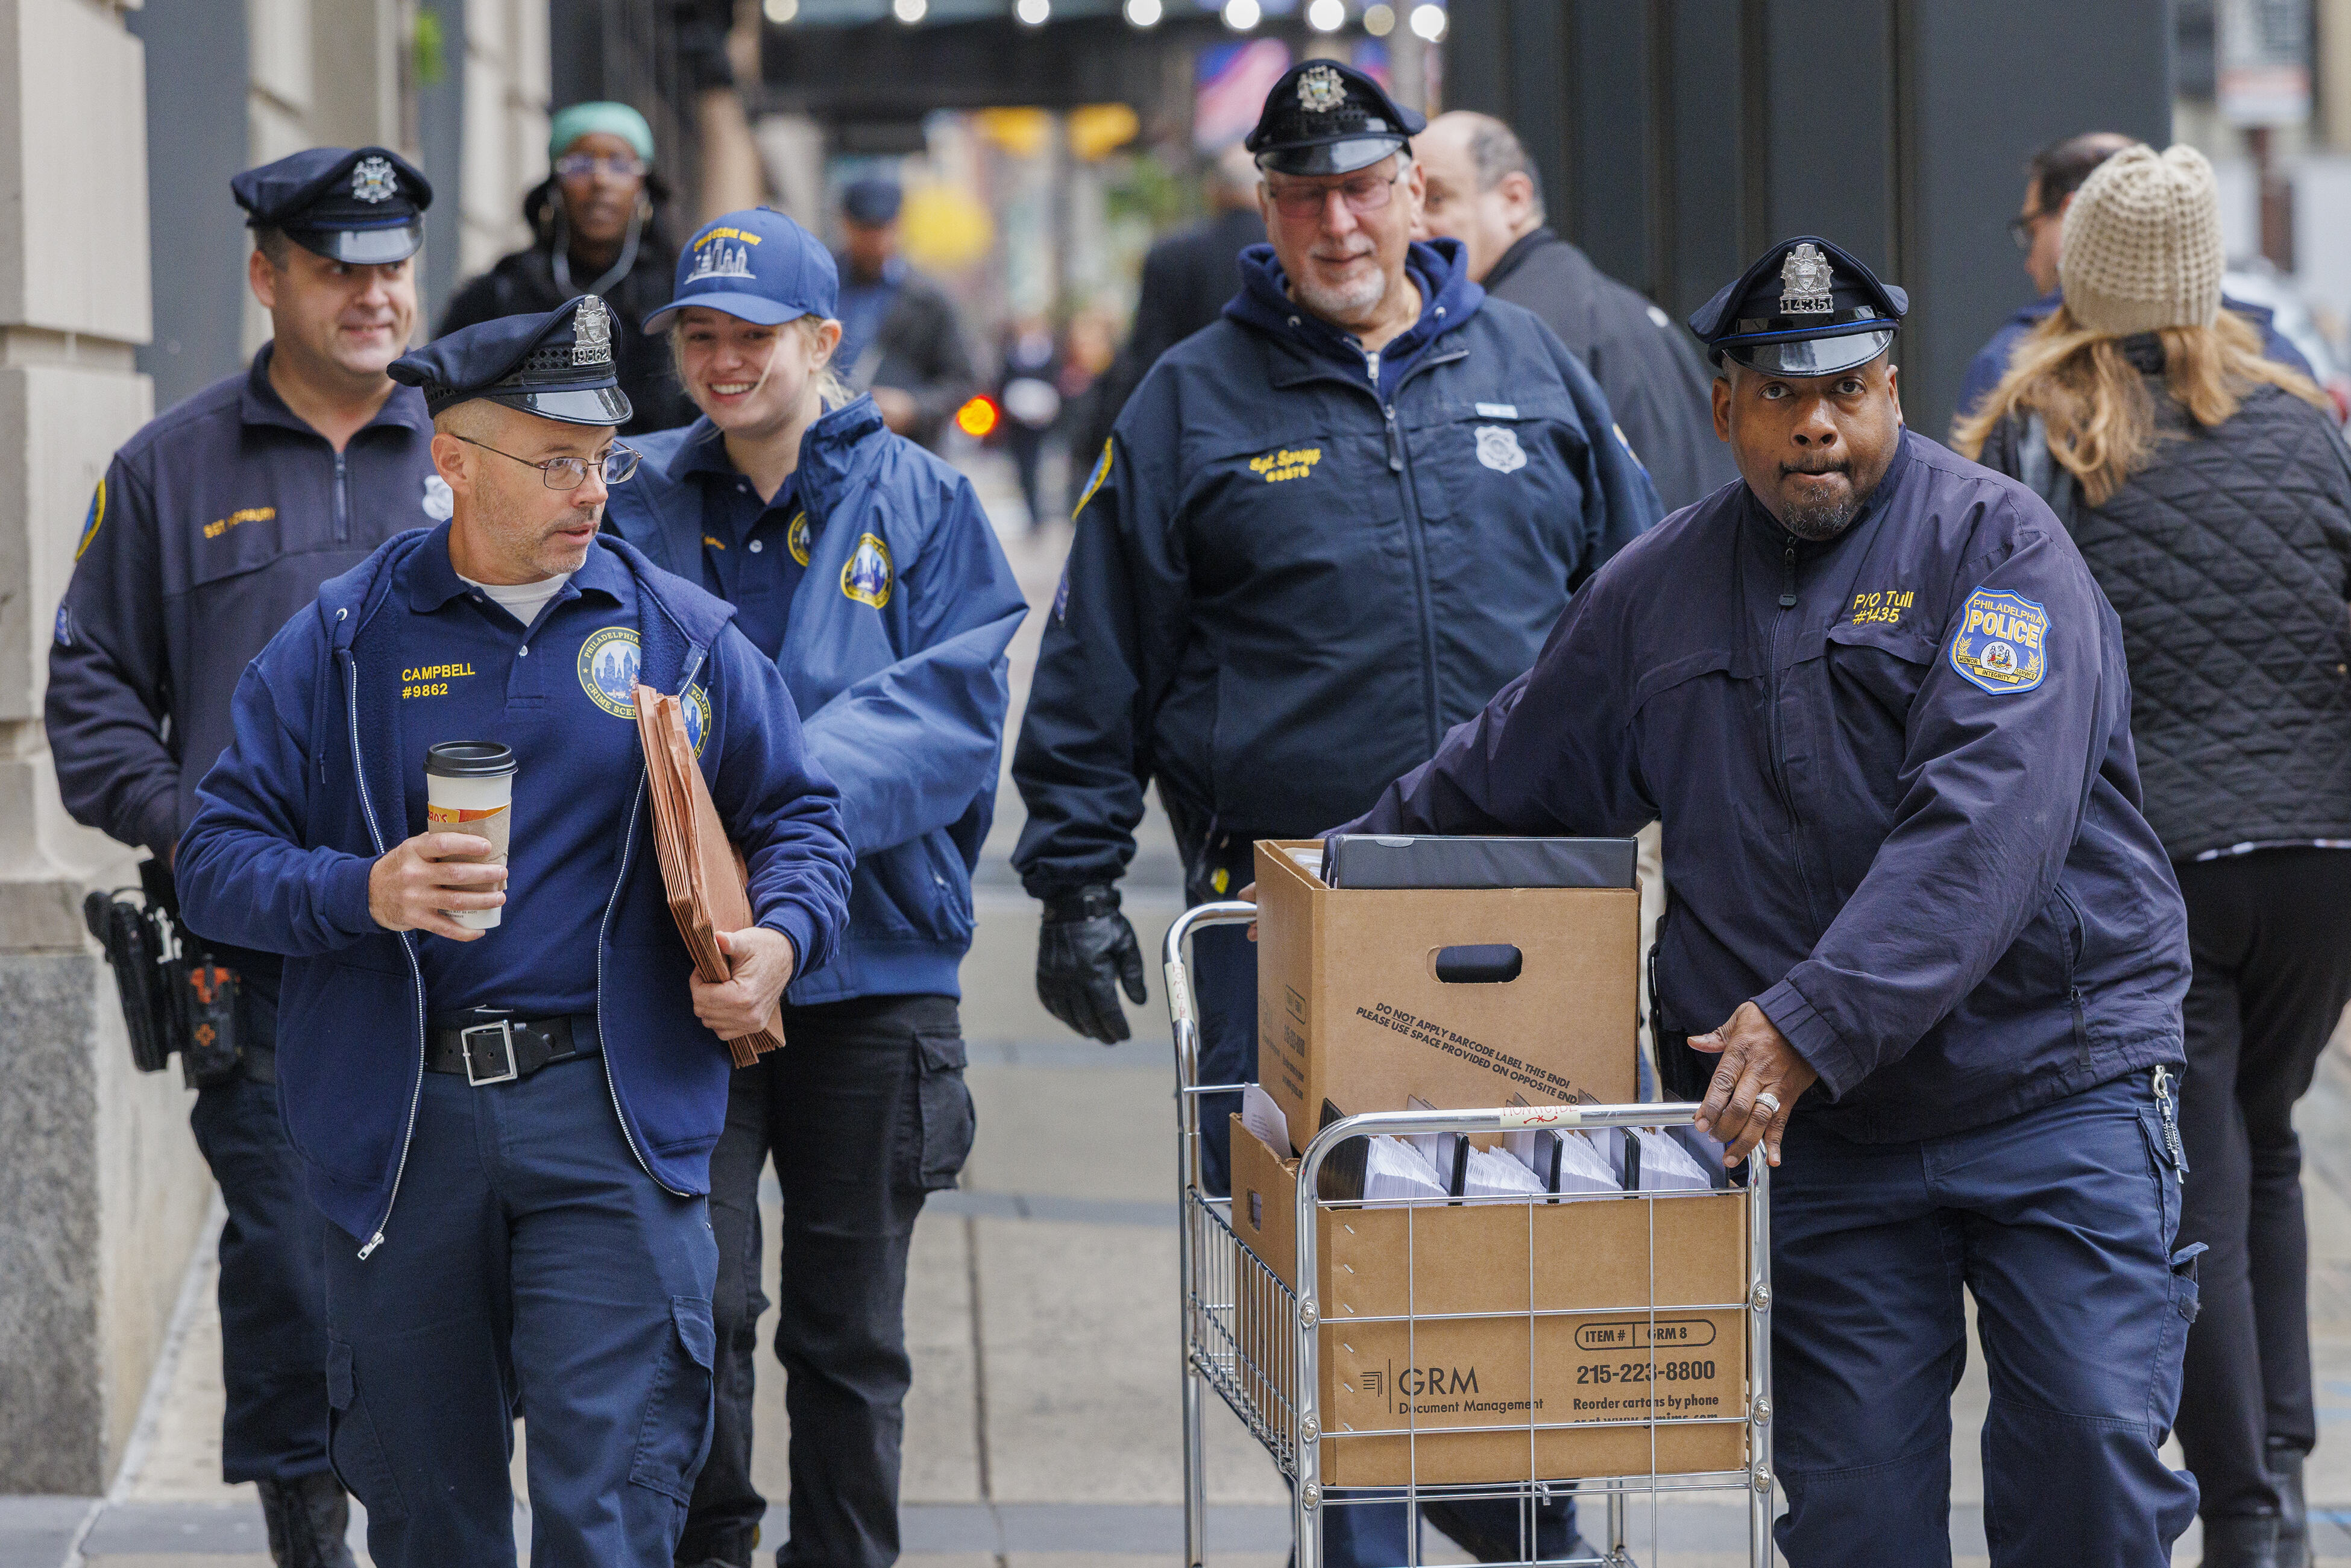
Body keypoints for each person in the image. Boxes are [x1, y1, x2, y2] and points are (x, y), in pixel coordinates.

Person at [1328, 232, 2202, 1565]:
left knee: (2091, 1453)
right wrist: (1319, 900)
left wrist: (1807, 1021)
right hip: (1828, 1138)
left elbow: (1985, 829)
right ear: (1724, 405)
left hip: (2051, 1083)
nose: (1818, 427)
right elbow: (1496, 779)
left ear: (1893, 392)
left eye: (1847, 390)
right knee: (1853, 1517)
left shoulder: (1998, 548)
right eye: (1782, 396)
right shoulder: (1658, 592)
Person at [1009, 60, 1661, 1565]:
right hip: (1294, 907)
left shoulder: (1530, 367)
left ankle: (1531, 1526)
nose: (1337, 220)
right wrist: (1074, 878)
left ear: (1412, 195)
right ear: (1267, 206)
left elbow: (1647, 619)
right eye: (1302, 192)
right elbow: (1101, 650)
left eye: (1362, 186)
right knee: (1333, 1262)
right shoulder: (1189, 401)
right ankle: (1370, 1541)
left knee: (1525, 1254)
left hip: (1524, 909)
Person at [171, 294, 855, 1568]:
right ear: (454, 461)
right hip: (405, 1127)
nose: (590, 487)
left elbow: (800, 816)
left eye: (604, 458)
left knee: (611, 1511)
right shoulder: (340, 642)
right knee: (434, 1520)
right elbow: (212, 862)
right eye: (554, 460)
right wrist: (358, 890)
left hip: (613, 1114)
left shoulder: (680, 635)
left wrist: (784, 939)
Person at [603, 206, 1027, 1568]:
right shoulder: (629, 503)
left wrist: (749, 804)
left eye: (756, 337)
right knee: (695, 1308)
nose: (726, 363)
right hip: (686, 977)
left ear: (823, 342)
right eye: (702, 338)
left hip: (874, 977)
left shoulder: (924, 502)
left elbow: (954, 716)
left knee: (847, 1331)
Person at [43, 144, 445, 1568]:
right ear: (267, 275)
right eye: (339, 268)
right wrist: (187, 826)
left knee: (437, 1261)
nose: (374, 295)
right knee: (289, 1253)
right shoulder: (171, 466)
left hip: (451, 953)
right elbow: (87, 688)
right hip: (255, 953)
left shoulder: (472, 447)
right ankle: (308, 1532)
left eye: (392, 266)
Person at [1956, 143, 2351, 1568]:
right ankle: (2285, 1487)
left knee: (2196, 1186)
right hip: (2315, 857)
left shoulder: (2032, 428)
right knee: (2268, 1145)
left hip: (2155, 871)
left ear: (2079, 267)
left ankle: (2246, 1516)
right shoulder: (2305, 421)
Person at [1414, 110, 1735, 512]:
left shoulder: (1507, 332)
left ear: (1514, 200)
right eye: (1409, 199)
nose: (1414, 225)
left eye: (1436, 198)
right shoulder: (1627, 307)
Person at [1955, 130, 2312, 419]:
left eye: (2032, 230)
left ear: (2075, 215)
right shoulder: (2283, 369)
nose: (2028, 261)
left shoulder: (2018, 376)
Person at [439, 101, 695, 435]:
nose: (600, 179)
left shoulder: (681, 295)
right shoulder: (501, 293)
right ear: (555, 186)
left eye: (619, 164)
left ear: (643, 187)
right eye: (580, 164)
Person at [1069, 143, 1268, 483]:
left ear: (1214, 191)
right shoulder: (1290, 258)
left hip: (1190, 444)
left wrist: (1099, 440)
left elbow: (1144, 361)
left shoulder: (1171, 256)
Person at [833, 177, 977, 452]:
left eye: (882, 228)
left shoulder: (930, 299)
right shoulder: (820, 286)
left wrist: (914, 408)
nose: (874, 240)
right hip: (828, 448)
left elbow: (963, 381)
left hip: (903, 453)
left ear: (898, 226)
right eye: (865, 229)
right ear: (846, 225)